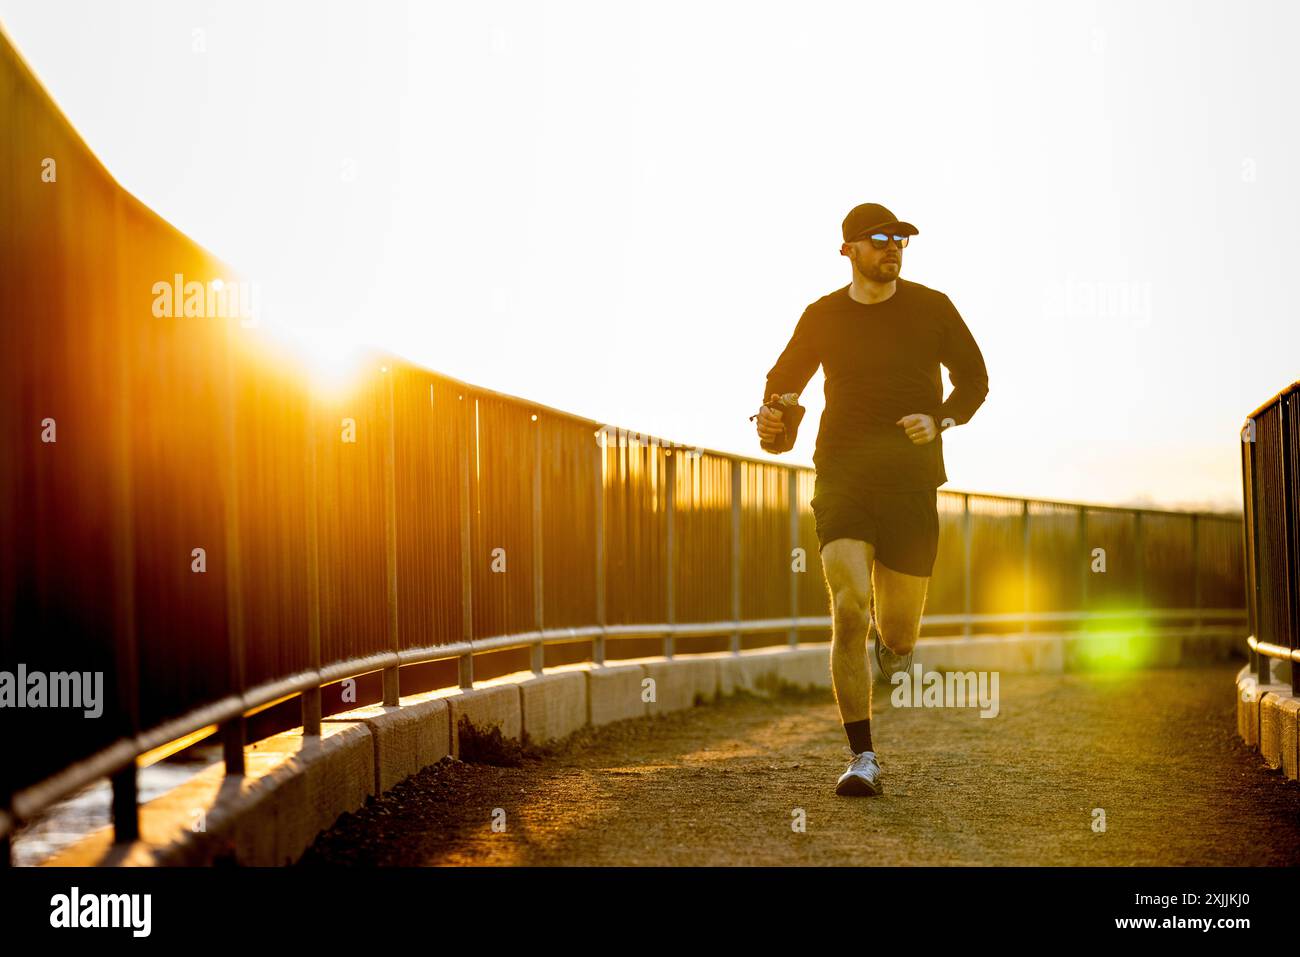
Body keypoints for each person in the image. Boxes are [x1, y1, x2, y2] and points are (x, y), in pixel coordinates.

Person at [755, 202, 989, 796]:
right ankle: (863, 756)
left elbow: (975, 380)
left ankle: (894, 649)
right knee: (850, 606)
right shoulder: (824, 316)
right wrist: (773, 419)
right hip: (843, 475)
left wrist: (941, 419)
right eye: (879, 238)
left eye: (901, 241)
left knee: (900, 633)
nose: (892, 248)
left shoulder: (932, 308)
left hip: (911, 482)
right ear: (849, 250)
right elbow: (782, 385)